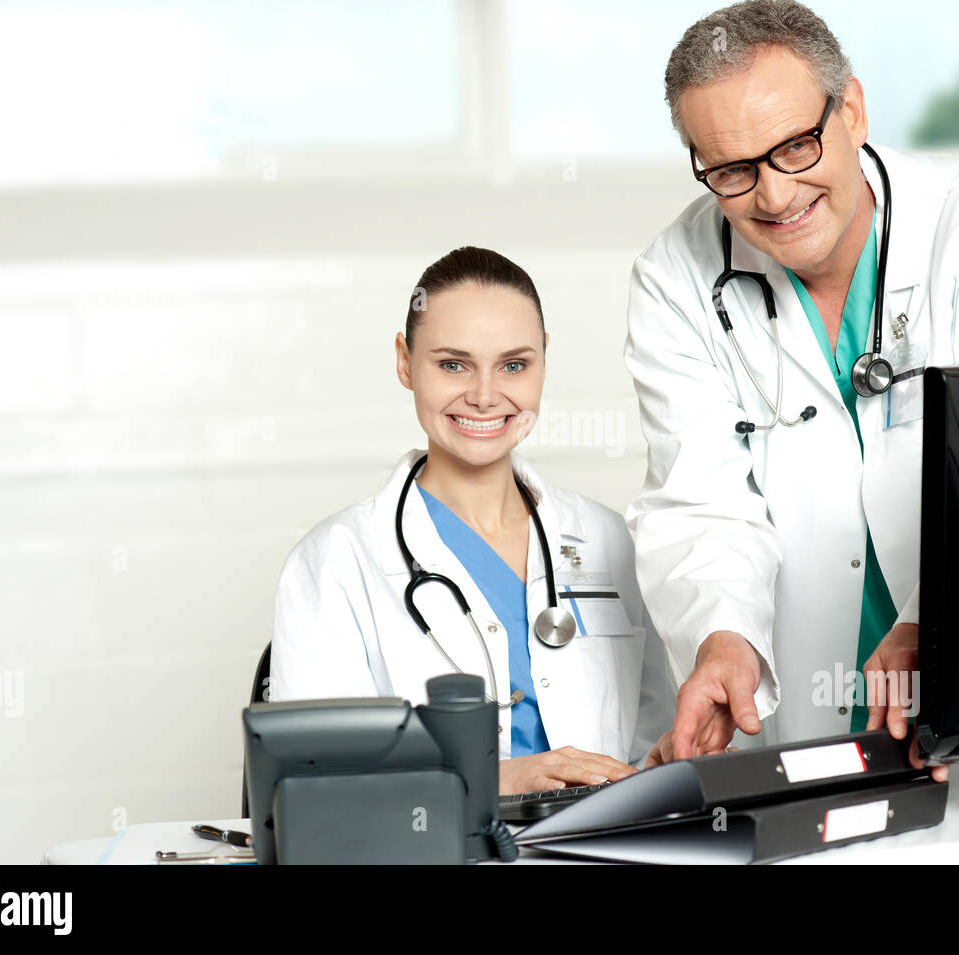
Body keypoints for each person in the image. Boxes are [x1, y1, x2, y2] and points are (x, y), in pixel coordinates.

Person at [625, 1, 959, 768]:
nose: (772, 196)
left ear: (851, 112)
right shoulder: (676, 277)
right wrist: (724, 639)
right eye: (731, 169)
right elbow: (700, 500)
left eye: (795, 146)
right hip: (807, 727)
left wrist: (939, 621)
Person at [270, 246, 674, 794]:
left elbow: (654, 749)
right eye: (453, 364)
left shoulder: (607, 540)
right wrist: (492, 781)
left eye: (514, 364)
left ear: (543, 363)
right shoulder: (336, 560)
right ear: (404, 362)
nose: (485, 397)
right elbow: (315, 781)